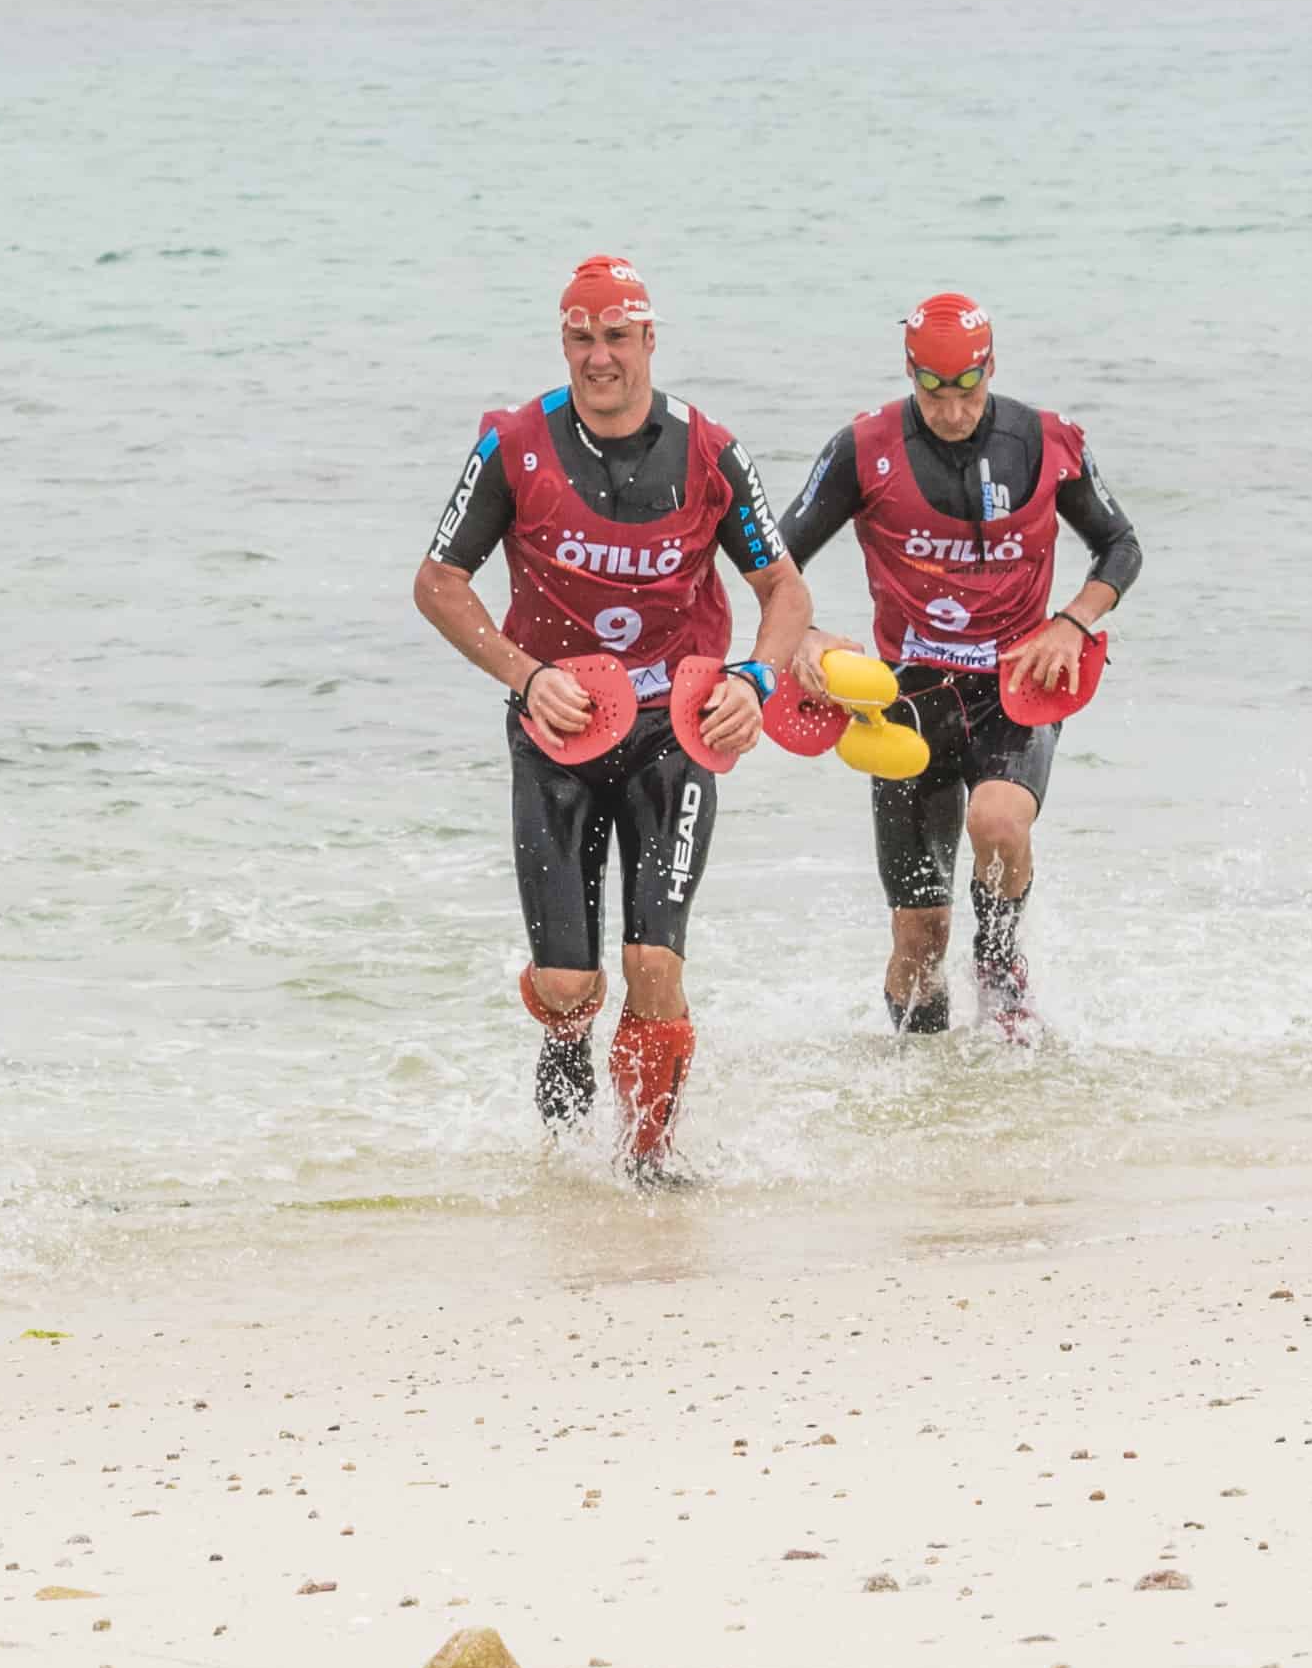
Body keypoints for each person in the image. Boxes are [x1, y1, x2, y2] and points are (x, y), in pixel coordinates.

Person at [406, 254, 802, 1181]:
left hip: (674, 728)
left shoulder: (708, 449)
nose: (598, 358)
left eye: (616, 337)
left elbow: (781, 585)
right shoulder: (513, 444)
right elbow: (437, 582)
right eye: (579, 338)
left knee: (654, 964)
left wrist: (756, 676)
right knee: (567, 984)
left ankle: (648, 1163)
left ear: (649, 339)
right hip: (557, 731)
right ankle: (563, 1067)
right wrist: (525, 672)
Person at [773, 293, 1139, 1039]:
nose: (949, 408)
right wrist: (804, 634)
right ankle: (921, 1082)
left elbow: (1120, 546)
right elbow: (773, 562)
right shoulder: (863, 447)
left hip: (1015, 684)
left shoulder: (1044, 441)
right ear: (910, 372)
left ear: (990, 367)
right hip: (907, 698)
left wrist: (1072, 622)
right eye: (931, 389)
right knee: (917, 937)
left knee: (998, 819)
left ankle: (1000, 962)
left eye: (967, 387)